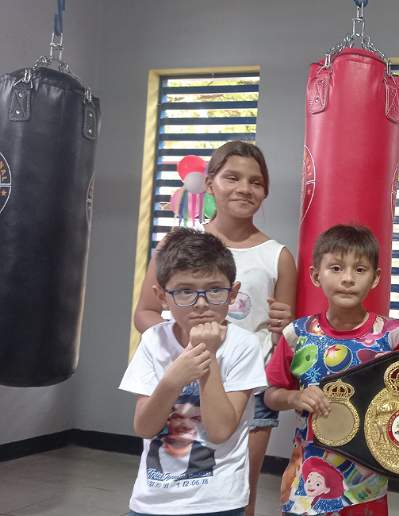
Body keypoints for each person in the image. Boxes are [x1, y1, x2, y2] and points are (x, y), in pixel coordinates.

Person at [134, 141, 298, 515]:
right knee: (175, 480)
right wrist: (180, 354)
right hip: (183, 381)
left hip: (248, 385)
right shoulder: (176, 246)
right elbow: (145, 312)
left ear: (265, 191)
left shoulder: (278, 255)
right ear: (210, 184)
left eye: (256, 182)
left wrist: (286, 325)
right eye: (232, 178)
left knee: (242, 489)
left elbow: (288, 335)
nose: (244, 188)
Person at [264, 225, 399, 516]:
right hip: (307, 477)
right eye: (335, 267)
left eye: (359, 269)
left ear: (376, 278)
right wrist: (295, 398)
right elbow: (271, 394)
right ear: (316, 275)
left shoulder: (392, 335)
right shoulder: (298, 333)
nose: (347, 279)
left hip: (366, 479)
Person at [120, 228, 268, 516]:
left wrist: (207, 355)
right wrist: (174, 378)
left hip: (218, 501)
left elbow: (220, 430)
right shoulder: (154, 342)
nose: (201, 303)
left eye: (214, 290)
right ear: (162, 296)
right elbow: (145, 427)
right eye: (185, 291)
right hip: (151, 500)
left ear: (233, 293)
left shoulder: (244, 346)